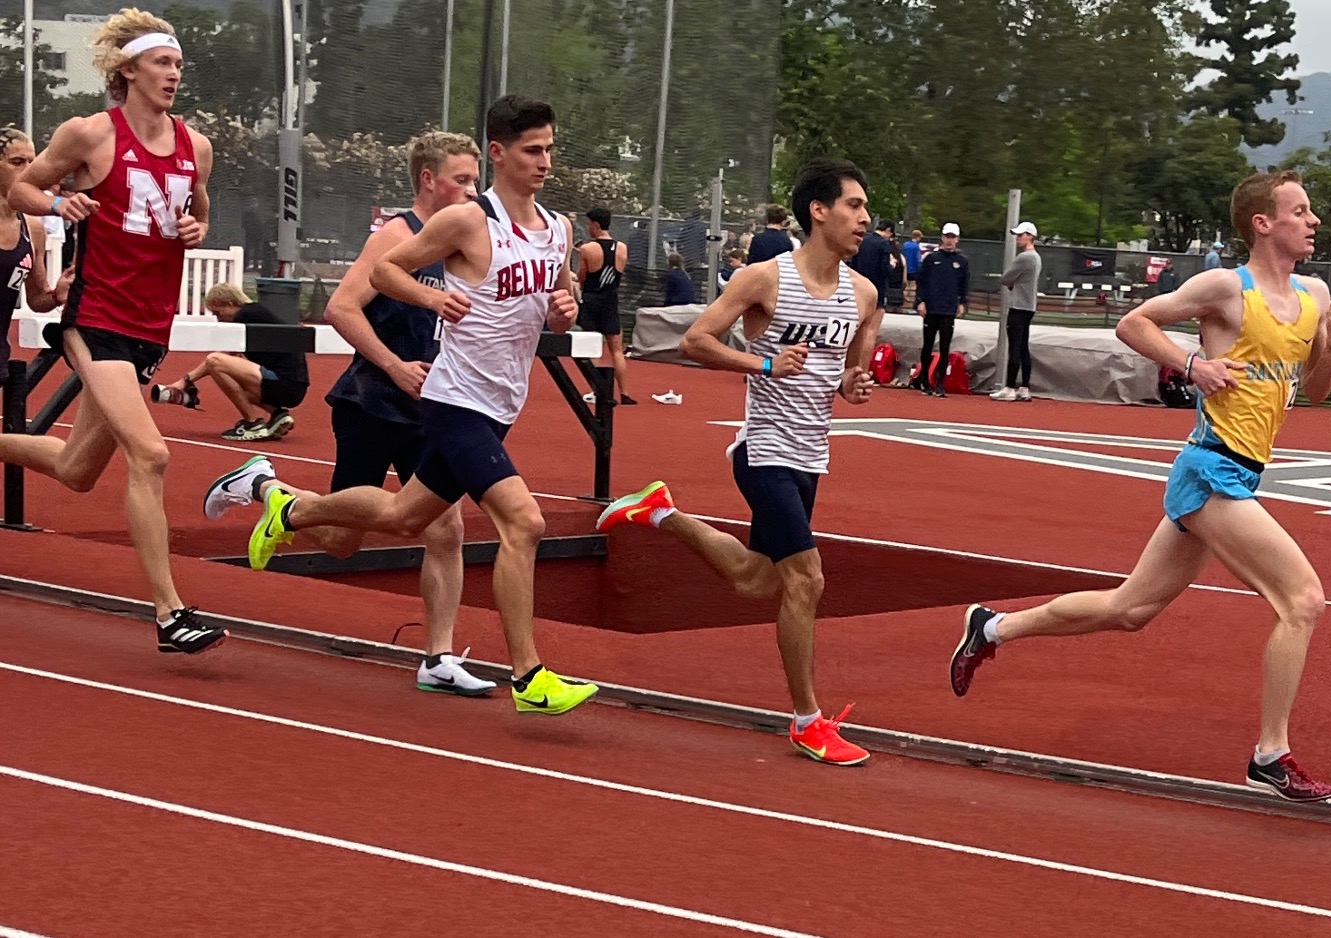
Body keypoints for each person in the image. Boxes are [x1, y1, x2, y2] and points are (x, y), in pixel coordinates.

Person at [950, 170, 1331, 804]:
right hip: (1210, 469)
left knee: (1129, 610)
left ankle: (992, 627)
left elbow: (1317, 390)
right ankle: (1270, 754)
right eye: (1300, 211)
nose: (1312, 221)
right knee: (1302, 600)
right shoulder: (1227, 287)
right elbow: (1134, 324)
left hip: (1240, 473)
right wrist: (1194, 364)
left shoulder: (1312, 294)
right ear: (1263, 223)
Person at [205, 94, 597, 714]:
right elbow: (385, 274)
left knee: (402, 518)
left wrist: (563, 307)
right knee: (525, 522)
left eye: (550, 149)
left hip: (501, 402)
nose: (545, 161)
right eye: (532, 150)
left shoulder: (558, 227)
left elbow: (555, 298)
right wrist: (431, 299)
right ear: (499, 152)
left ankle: (286, 507)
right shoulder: (467, 221)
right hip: (451, 399)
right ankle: (530, 677)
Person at [596, 157, 882, 765]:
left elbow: (849, 370)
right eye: (855, 206)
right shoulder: (764, 279)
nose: (865, 218)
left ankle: (660, 513)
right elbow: (694, 340)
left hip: (812, 455)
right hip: (763, 450)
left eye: (866, 208)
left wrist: (854, 383)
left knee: (757, 579)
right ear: (819, 210)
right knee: (807, 578)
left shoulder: (864, 293)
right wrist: (767, 364)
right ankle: (807, 720)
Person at [205, 132, 495, 696]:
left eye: (475, 178)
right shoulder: (396, 235)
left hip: (431, 406)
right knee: (341, 541)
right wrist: (395, 366)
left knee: (446, 526)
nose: (472, 189)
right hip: (375, 399)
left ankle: (437, 657)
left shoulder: (462, 242)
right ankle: (269, 490)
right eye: (461, 178)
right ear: (428, 179)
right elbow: (341, 308)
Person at [3, 12, 224, 654]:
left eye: (179, 65)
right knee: (151, 455)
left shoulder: (195, 144)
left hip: (151, 326)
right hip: (96, 317)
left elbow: (200, 203)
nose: (174, 74)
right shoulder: (90, 134)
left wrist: (197, 229)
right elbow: (21, 187)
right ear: (128, 70)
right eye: (162, 63)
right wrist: (57, 204)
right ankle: (169, 613)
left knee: (76, 469)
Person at [157, 283, 307, 441]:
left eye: (218, 313)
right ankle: (278, 414)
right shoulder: (254, 313)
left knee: (215, 361)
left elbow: (215, 361)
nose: (218, 319)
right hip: (292, 385)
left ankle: (253, 423)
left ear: (230, 304)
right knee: (229, 379)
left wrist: (185, 380)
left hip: (285, 383)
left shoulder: (244, 315)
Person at [1, 127, 73, 360]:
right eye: (17, 162)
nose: (26, 170)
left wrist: (56, 294)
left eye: (31, 163)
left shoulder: (32, 228)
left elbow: (36, 298)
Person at [576, 205, 635, 404]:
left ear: (596, 225)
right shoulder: (622, 248)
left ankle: (598, 391)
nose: (588, 228)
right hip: (611, 299)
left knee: (593, 348)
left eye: (589, 224)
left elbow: (582, 277)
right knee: (617, 349)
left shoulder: (587, 249)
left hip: (592, 299)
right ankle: (625, 393)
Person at [913, 222, 969, 396]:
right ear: (942, 238)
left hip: (948, 310)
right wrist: (920, 302)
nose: (949, 240)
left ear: (957, 239)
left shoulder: (962, 261)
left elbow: (964, 284)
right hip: (931, 308)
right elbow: (921, 282)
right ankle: (924, 381)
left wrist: (962, 303)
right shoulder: (931, 258)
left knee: (945, 347)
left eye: (953, 237)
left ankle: (940, 383)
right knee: (927, 346)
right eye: (947, 237)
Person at [990, 221, 1042, 403]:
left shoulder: (1025, 257)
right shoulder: (1036, 257)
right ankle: (1024, 387)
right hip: (1029, 306)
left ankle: (1010, 387)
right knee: (1023, 347)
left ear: (1030, 236)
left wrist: (1012, 282)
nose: (1018, 238)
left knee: (1015, 347)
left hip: (1018, 305)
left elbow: (1006, 278)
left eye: (1021, 235)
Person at [847, 219, 893, 314]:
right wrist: (892, 265)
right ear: (888, 230)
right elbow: (884, 269)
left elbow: (853, 263)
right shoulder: (883, 244)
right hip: (877, 287)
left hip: (859, 285)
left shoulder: (863, 240)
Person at [902, 229, 923, 308]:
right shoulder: (916, 247)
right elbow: (918, 259)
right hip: (913, 269)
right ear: (918, 237)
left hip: (905, 268)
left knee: (905, 286)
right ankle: (910, 303)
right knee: (912, 287)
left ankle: (905, 302)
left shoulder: (905, 244)